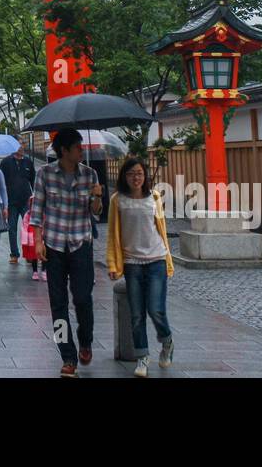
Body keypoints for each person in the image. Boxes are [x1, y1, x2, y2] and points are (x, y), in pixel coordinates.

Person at [30, 128, 102, 378]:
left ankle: (85, 340)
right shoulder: (45, 175)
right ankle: (67, 356)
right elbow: (37, 211)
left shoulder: (90, 175)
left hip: (81, 243)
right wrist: (38, 241)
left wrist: (97, 198)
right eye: (78, 148)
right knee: (58, 305)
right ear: (64, 150)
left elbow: (96, 213)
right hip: (55, 245)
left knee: (83, 298)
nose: (82, 151)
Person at [107, 156, 175, 378]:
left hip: (156, 259)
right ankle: (142, 357)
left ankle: (167, 342)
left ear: (144, 176)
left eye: (139, 173)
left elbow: (161, 229)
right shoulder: (117, 200)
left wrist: (168, 260)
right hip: (132, 263)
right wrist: (113, 263)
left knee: (156, 309)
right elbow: (112, 235)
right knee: (136, 315)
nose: (135, 177)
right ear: (124, 176)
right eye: (130, 174)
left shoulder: (154, 197)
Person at [0, 145, 36, 266]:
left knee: (28, 229)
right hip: (11, 201)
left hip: (26, 200)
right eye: (19, 146)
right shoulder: (5, 162)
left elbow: (33, 180)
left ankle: (29, 254)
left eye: (23, 145)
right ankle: (14, 254)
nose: (22, 148)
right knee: (12, 228)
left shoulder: (28, 162)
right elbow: (1, 182)